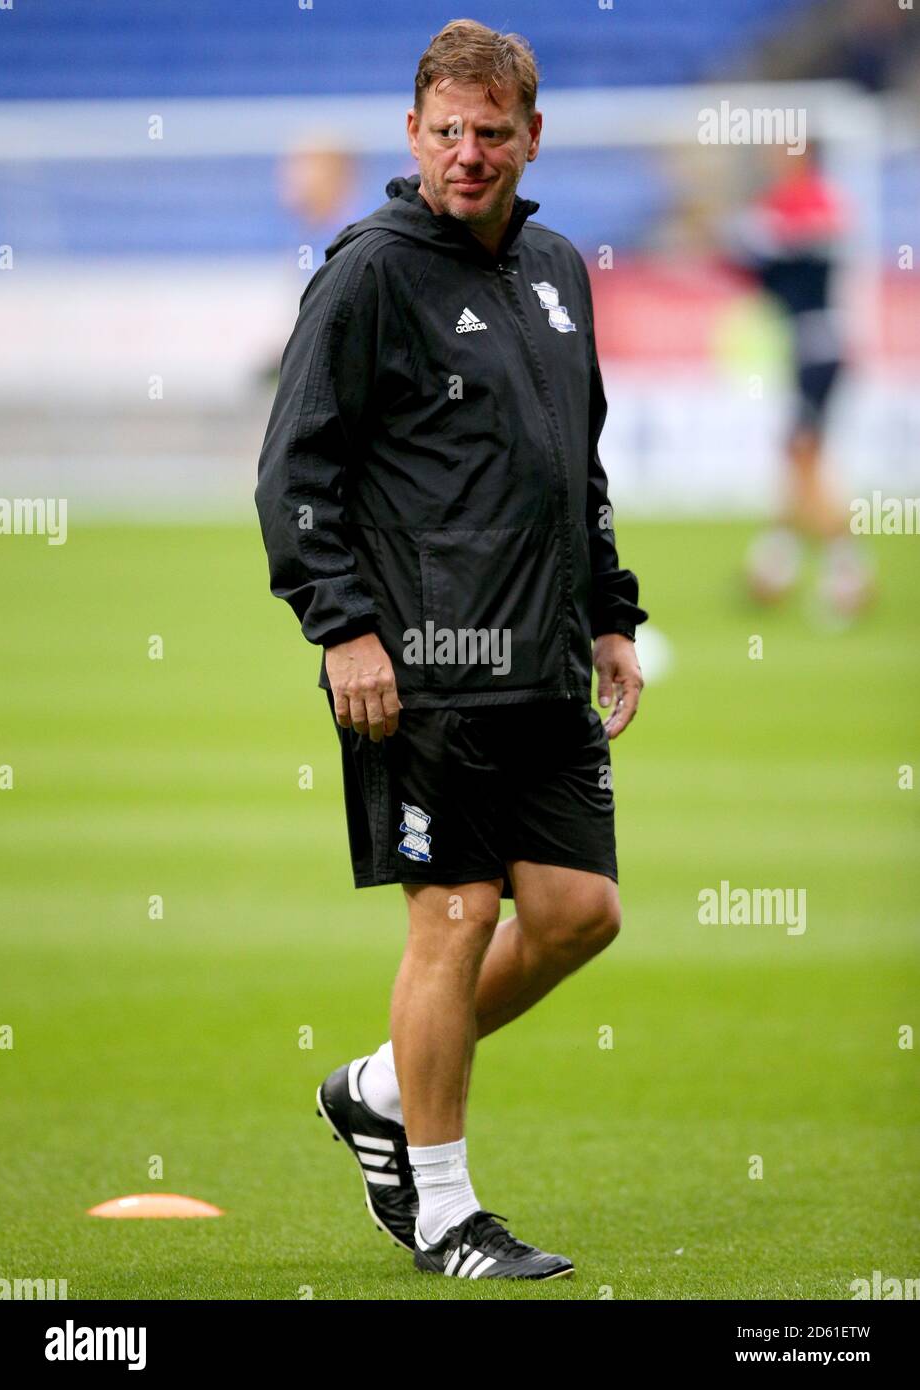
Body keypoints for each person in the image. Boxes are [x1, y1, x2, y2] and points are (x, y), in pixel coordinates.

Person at [254, 19, 648, 1281]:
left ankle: (379, 1084)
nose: (467, 154)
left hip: (540, 654)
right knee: (457, 918)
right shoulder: (369, 271)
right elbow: (294, 470)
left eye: (491, 133)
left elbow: (569, 463)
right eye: (446, 132)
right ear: (412, 131)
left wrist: (609, 609)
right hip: (420, 665)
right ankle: (443, 1210)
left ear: (531, 137)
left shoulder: (553, 265)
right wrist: (344, 628)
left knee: (581, 914)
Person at [732, 146, 874, 617]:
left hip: (819, 348)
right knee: (799, 455)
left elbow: (770, 254)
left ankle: (847, 571)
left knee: (804, 456)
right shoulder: (798, 206)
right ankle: (776, 564)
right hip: (813, 348)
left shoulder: (809, 204)